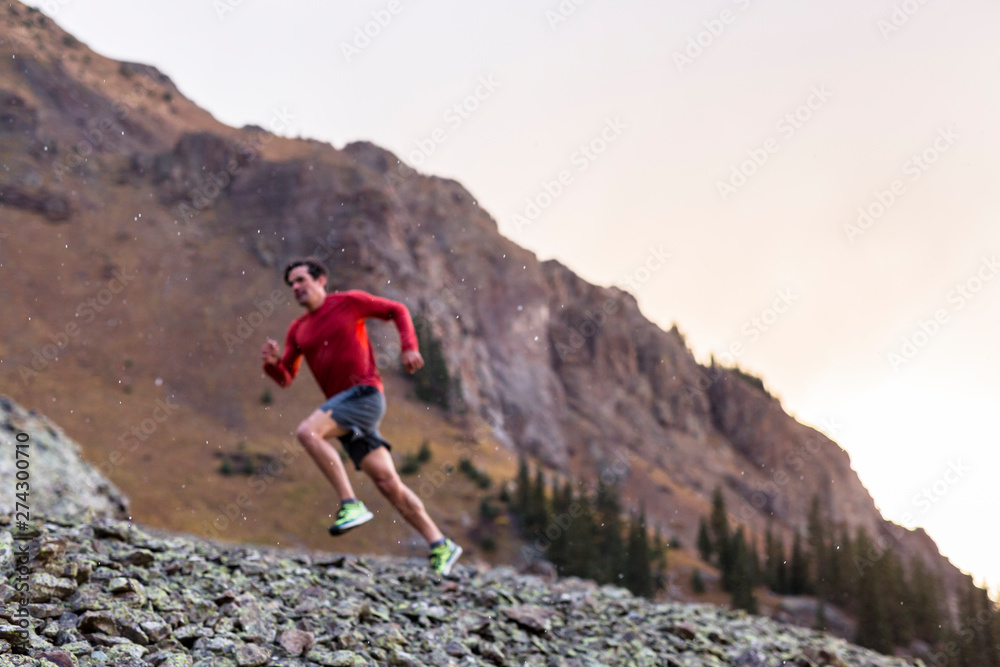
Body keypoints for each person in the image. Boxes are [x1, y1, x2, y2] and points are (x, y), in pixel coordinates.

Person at [261, 257, 462, 575]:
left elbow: (397, 310)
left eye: (301, 280)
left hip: (365, 394)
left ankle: (349, 504)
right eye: (292, 284)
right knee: (387, 482)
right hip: (345, 409)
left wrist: (409, 346)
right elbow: (286, 377)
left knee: (307, 433)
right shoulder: (298, 330)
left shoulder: (348, 303)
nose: (296, 288)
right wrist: (272, 363)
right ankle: (440, 543)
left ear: (321, 279)